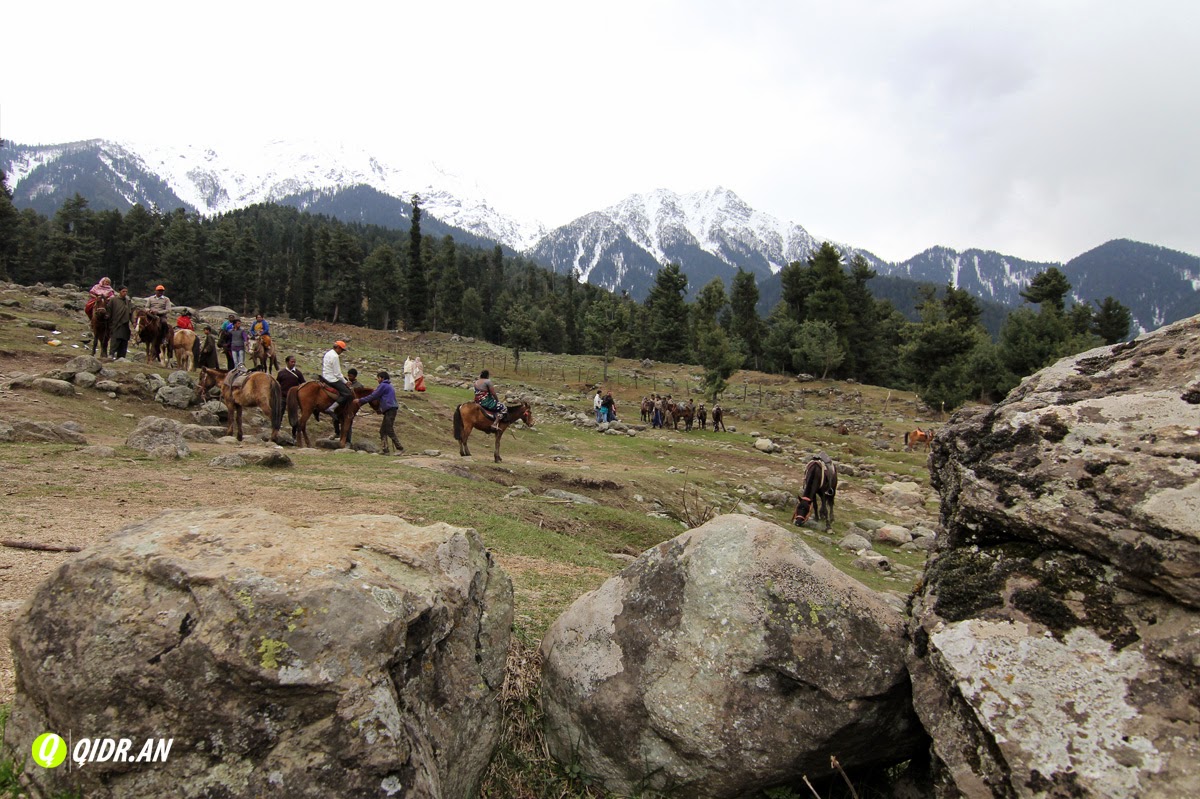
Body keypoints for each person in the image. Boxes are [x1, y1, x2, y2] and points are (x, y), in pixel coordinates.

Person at [356, 370, 403, 454]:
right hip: (390, 409)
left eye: (378, 378)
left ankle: (400, 448)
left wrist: (360, 400)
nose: (377, 380)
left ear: (382, 378)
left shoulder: (383, 385)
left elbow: (373, 396)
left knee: (389, 429)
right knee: (383, 431)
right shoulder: (388, 386)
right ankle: (385, 450)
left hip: (390, 409)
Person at [321, 340, 354, 416]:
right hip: (332, 379)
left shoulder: (328, 353)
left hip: (325, 376)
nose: (341, 352)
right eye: (342, 350)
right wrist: (346, 382)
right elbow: (337, 373)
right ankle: (331, 408)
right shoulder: (335, 356)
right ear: (338, 348)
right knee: (347, 393)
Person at [108, 286, 133, 360]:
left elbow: (131, 312)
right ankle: (111, 354)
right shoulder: (113, 300)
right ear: (119, 292)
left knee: (124, 341)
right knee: (115, 340)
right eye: (123, 291)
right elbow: (109, 311)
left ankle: (121, 356)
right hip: (116, 323)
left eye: (126, 291)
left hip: (125, 324)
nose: (125, 293)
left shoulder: (128, 301)